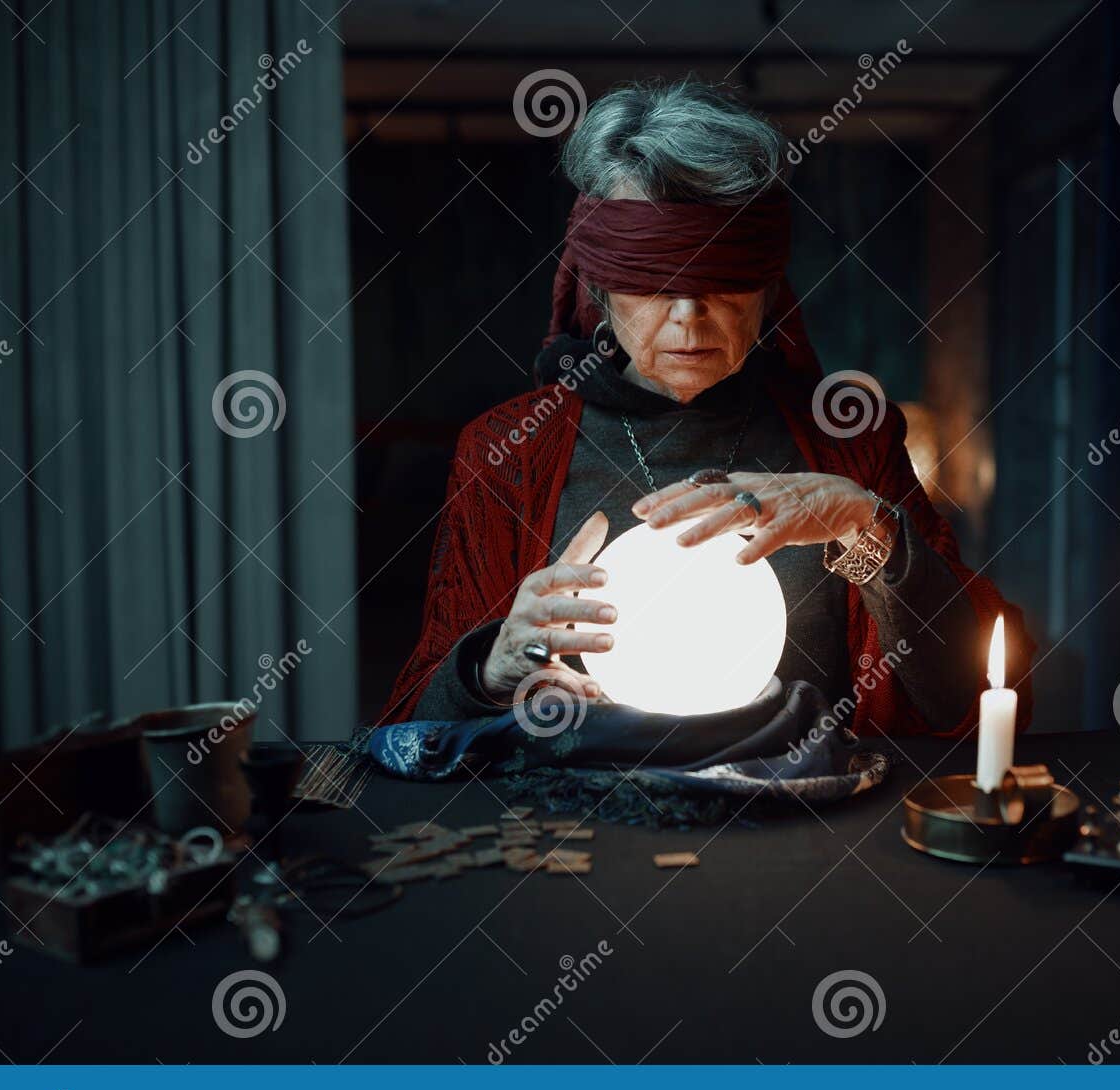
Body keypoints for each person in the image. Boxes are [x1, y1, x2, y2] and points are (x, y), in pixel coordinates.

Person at [384, 80, 1032, 737]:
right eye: (652, 280)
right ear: (601, 286)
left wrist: (869, 526)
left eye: (721, 280)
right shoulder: (509, 451)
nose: (689, 315)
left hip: (808, 828)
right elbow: (416, 734)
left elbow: (967, 699)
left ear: (768, 286)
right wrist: (487, 670)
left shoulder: (849, 443)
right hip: (581, 831)